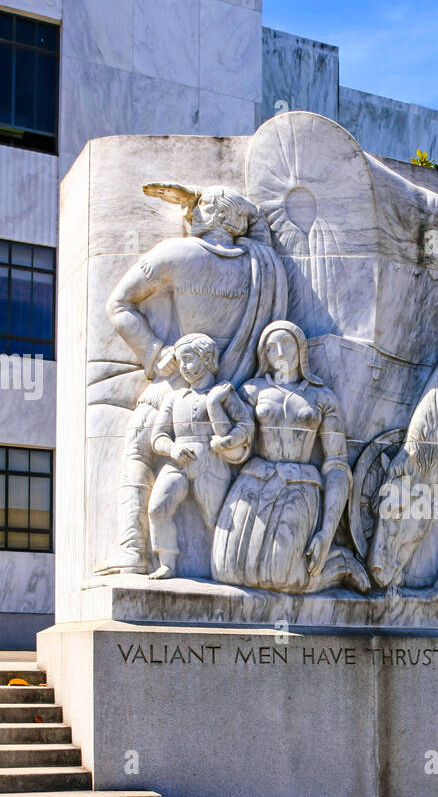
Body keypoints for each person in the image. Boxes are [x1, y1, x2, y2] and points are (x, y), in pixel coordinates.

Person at [98, 183, 286, 575]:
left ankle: (133, 552)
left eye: (199, 208)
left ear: (211, 214)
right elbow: (260, 229)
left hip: (178, 383)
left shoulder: (176, 253)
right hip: (235, 387)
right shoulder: (265, 263)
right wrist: (215, 201)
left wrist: (155, 352)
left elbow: (119, 304)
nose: (192, 214)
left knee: (136, 453)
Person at [211, 320, 369, 593]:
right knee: (227, 570)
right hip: (254, 483)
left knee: (286, 578)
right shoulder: (252, 390)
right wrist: (216, 412)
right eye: (271, 348)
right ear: (264, 356)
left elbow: (337, 465)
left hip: (299, 487)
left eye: (287, 344)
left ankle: (341, 563)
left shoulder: (322, 397)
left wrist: (327, 531)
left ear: (301, 349)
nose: (281, 353)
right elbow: (241, 443)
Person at [148, 334, 253, 580]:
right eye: (180, 361)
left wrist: (228, 441)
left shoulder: (223, 393)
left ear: (206, 359)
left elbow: (246, 426)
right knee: (157, 507)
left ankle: (225, 569)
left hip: (212, 462)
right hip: (179, 461)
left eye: (188, 359)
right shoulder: (174, 398)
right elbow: (158, 436)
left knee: (217, 520)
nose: (183, 367)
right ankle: (167, 563)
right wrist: (172, 449)